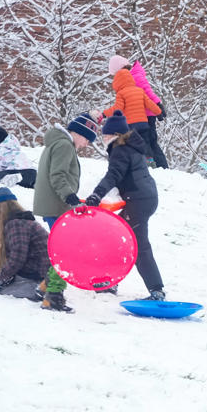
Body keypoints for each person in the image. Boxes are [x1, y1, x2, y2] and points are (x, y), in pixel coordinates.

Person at [84, 110, 166, 300]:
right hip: (145, 198)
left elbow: (114, 175)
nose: (103, 137)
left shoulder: (120, 149)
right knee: (117, 237)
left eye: (105, 134)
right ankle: (111, 281)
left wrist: (96, 194)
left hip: (139, 201)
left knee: (138, 245)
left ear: (115, 135)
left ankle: (156, 290)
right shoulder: (130, 146)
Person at [33, 111, 101, 310]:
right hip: (56, 205)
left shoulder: (59, 143)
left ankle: (45, 287)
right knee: (66, 251)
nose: (87, 144)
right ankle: (53, 296)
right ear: (78, 133)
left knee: (64, 249)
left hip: (53, 204)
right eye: (87, 139)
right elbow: (58, 176)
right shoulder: (64, 145)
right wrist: (70, 198)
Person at [0, 188, 67, 307]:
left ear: (0, 209)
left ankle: (41, 291)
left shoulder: (16, 224)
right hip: (40, 274)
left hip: (38, 278)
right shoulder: (21, 221)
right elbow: (9, 259)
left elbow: (17, 258)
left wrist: (0, 280)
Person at [109, 54, 169, 168]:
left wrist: (158, 106)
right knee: (147, 142)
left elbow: (148, 92)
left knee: (151, 142)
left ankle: (162, 168)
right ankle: (155, 166)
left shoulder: (135, 76)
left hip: (147, 114)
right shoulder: (131, 77)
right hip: (142, 114)